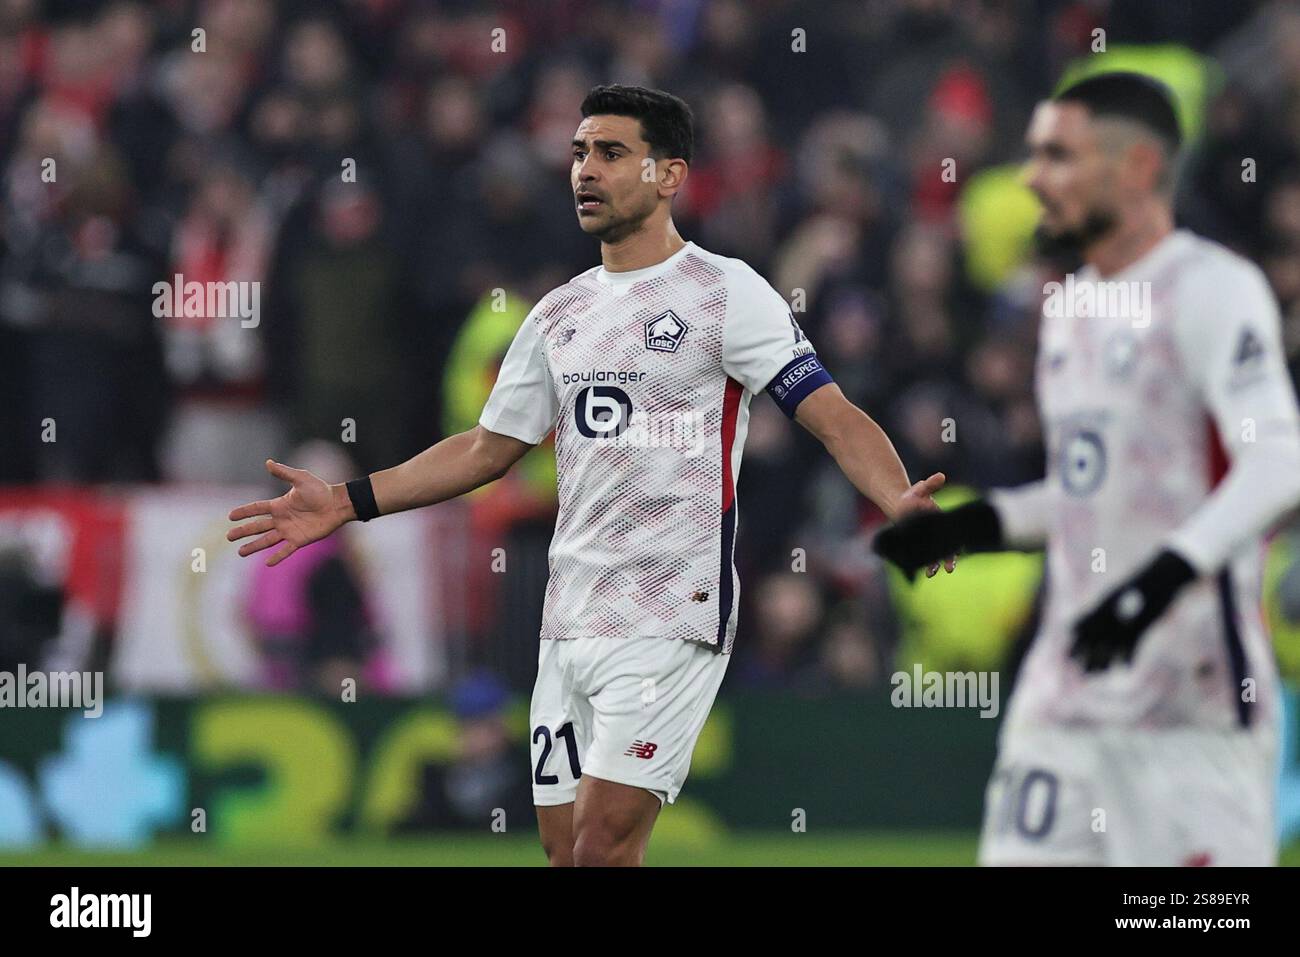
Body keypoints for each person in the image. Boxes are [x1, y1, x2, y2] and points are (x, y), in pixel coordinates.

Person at [228, 84, 951, 866]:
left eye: (610, 153)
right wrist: (345, 499)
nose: (585, 171)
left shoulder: (726, 292)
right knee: (568, 851)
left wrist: (893, 498)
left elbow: (832, 413)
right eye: (578, 153)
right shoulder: (556, 316)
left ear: (669, 175)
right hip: (569, 619)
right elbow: (484, 450)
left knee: (603, 842)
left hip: (672, 612)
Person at [875, 72, 1300, 865]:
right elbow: (1093, 491)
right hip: (1065, 700)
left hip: (1191, 709)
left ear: (1137, 167)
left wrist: (1160, 578)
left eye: (1059, 157)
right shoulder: (1069, 309)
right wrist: (978, 523)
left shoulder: (1213, 289)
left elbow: (1279, 461)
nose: (1032, 177)